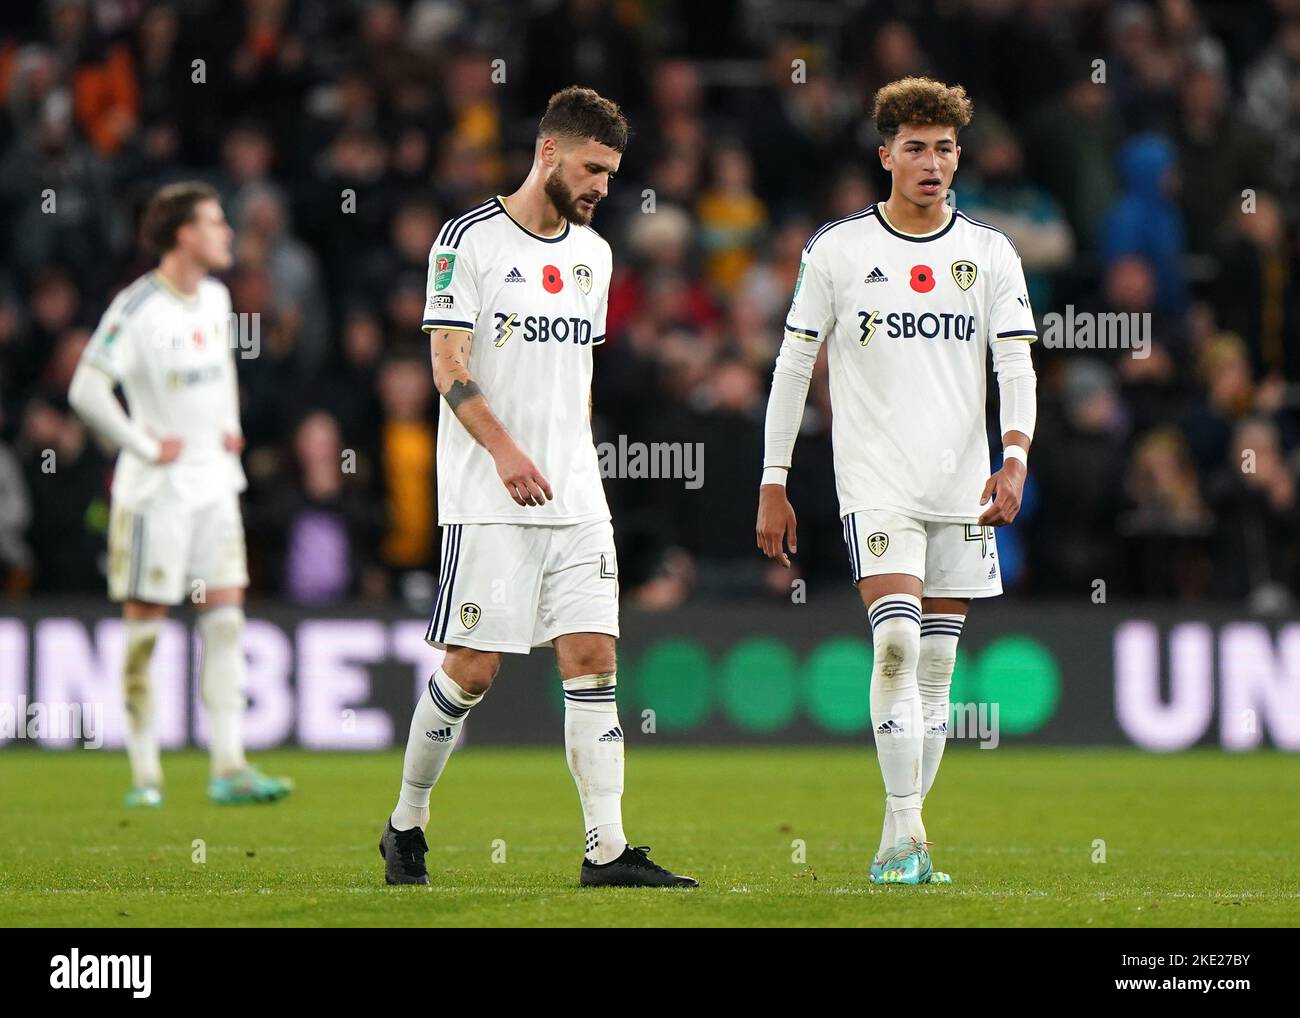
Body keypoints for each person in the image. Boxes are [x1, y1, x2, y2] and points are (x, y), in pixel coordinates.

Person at [380, 87, 696, 889]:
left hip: (576, 496)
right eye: (592, 168)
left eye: (612, 174)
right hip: (489, 493)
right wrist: (509, 452)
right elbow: (448, 363)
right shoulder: (467, 241)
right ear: (549, 152)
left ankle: (607, 850)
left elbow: (577, 380)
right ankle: (406, 821)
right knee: (474, 669)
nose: (601, 186)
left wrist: (571, 459)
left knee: (593, 658)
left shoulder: (594, 254)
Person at [756, 77, 1038, 885]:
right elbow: (792, 364)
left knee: (939, 675)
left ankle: (895, 845)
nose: (931, 161)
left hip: (963, 485)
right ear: (886, 155)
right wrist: (773, 478)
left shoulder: (989, 253)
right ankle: (910, 834)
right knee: (895, 642)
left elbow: (1016, 363)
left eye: (945, 147)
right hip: (876, 481)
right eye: (914, 146)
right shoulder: (838, 250)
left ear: (959, 157)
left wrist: (1014, 454)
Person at [67, 182, 291, 807]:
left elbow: (216, 380)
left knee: (225, 623)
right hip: (155, 496)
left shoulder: (217, 299)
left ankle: (229, 765)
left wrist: (229, 431)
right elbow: (86, 389)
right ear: (184, 234)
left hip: (215, 487)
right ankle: (145, 775)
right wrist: (140, 444)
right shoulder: (137, 307)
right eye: (216, 222)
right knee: (145, 632)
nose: (227, 233)